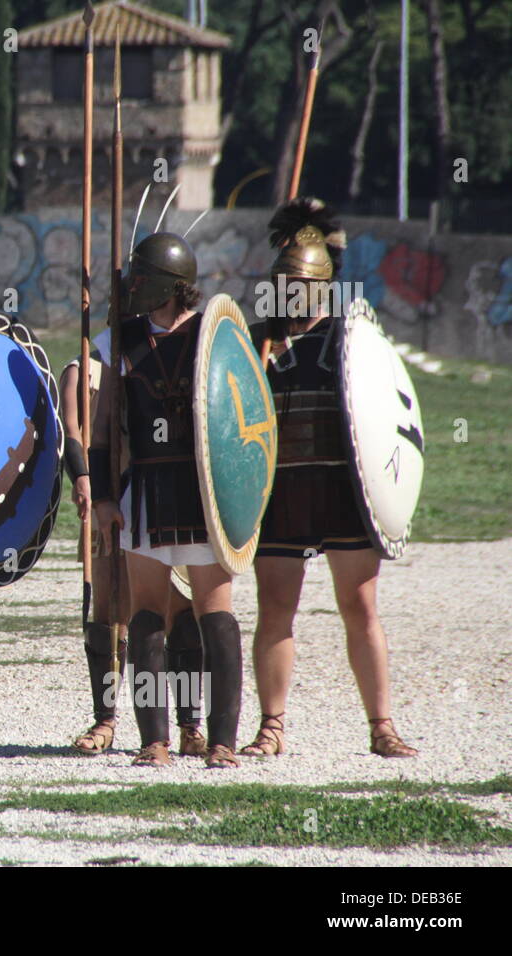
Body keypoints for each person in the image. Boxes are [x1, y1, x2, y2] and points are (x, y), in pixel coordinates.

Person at [242, 198, 416, 759]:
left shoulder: (350, 337)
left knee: (360, 607)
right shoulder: (256, 339)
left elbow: (378, 403)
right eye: (284, 282)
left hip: (345, 488)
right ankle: (272, 727)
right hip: (282, 489)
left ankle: (382, 726)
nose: (293, 294)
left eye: (302, 283)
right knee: (275, 609)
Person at [88, 232, 245, 769]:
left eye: (143, 278)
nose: (134, 287)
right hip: (147, 489)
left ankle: (221, 741)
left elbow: (243, 416)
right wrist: (105, 496)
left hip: (204, 490)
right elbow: (104, 426)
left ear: (175, 287)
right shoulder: (121, 341)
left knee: (215, 616)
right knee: (146, 617)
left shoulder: (212, 336)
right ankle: (153, 740)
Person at [60, 330, 205, 758]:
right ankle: (106, 719)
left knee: (180, 610)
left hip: (160, 500)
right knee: (109, 614)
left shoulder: (158, 358)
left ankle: (191, 723)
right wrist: (84, 478)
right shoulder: (85, 369)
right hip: (111, 503)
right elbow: (72, 429)